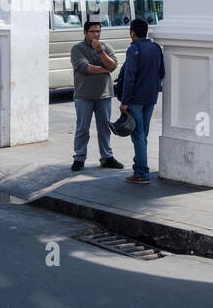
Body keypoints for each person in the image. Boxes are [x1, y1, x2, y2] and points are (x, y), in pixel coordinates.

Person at [69, 19, 122, 173]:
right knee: (82, 128)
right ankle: (79, 158)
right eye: (92, 31)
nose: (96, 34)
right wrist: (105, 69)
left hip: (104, 95)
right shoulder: (77, 48)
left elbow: (113, 65)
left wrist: (100, 51)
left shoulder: (106, 47)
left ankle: (107, 157)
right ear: (85, 32)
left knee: (104, 128)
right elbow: (85, 67)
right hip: (83, 95)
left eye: (98, 31)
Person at [119, 17, 164, 184]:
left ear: (132, 32)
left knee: (138, 135)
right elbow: (161, 73)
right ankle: (140, 168)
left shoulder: (134, 49)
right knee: (142, 134)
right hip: (151, 98)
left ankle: (142, 173)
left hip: (136, 98)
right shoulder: (155, 48)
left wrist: (124, 101)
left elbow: (129, 77)